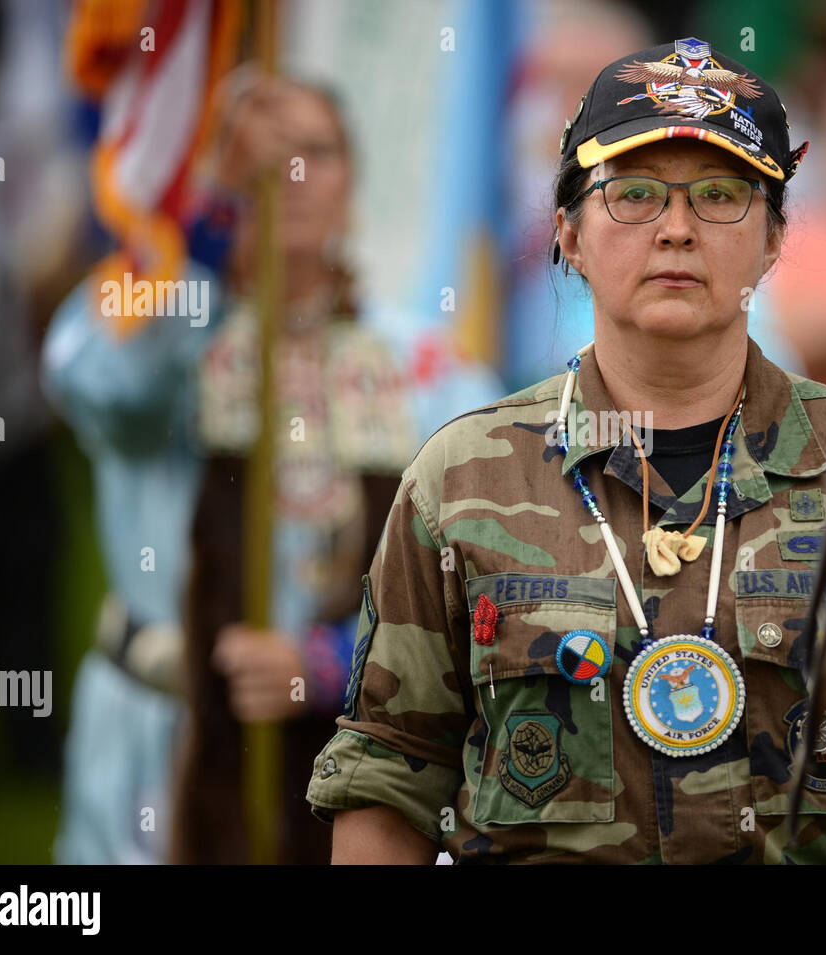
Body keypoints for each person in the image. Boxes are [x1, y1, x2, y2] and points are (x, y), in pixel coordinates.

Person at [307, 38, 826, 864]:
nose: (677, 229)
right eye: (634, 195)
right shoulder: (462, 477)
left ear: (772, 244)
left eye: (722, 196)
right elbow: (385, 782)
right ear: (569, 236)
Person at [44, 74, 501, 864]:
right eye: (259, 152)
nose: (288, 172)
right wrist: (205, 237)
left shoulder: (422, 365)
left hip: (360, 761)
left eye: (314, 151)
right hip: (162, 750)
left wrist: (328, 662)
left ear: (351, 177)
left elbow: (484, 559)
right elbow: (96, 386)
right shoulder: (155, 325)